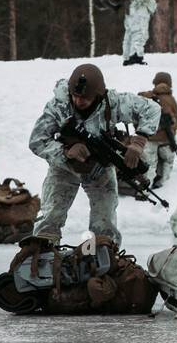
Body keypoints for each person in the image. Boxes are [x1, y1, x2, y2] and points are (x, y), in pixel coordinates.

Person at [28, 64, 161, 249]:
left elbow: (152, 109)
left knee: (104, 222)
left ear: (98, 94)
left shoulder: (113, 103)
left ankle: (102, 258)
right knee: (51, 217)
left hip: (100, 166)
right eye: (75, 96)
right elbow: (37, 140)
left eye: (85, 98)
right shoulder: (59, 105)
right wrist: (65, 152)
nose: (79, 101)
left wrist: (138, 142)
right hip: (64, 168)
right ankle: (41, 260)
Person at [139, 71, 177, 188]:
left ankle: (145, 189)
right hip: (167, 140)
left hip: (149, 137)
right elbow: (176, 121)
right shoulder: (171, 100)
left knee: (149, 165)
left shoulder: (148, 96)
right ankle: (161, 184)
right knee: (167, 162)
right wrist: (172, 133)